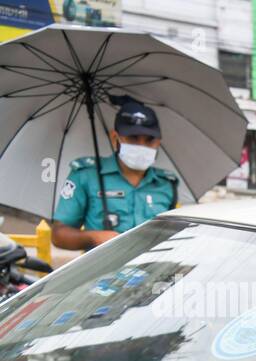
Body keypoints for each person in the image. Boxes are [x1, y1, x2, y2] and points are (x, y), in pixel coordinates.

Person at [52, 99, 178, 251]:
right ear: (115, 138)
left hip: (152, 271)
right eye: (133, 138)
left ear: (158, 142)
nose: (141, 146)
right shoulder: (87, 175)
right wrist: (93, 237)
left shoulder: (167, 183)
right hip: (102, 271)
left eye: (149, 140)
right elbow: (59, 234)